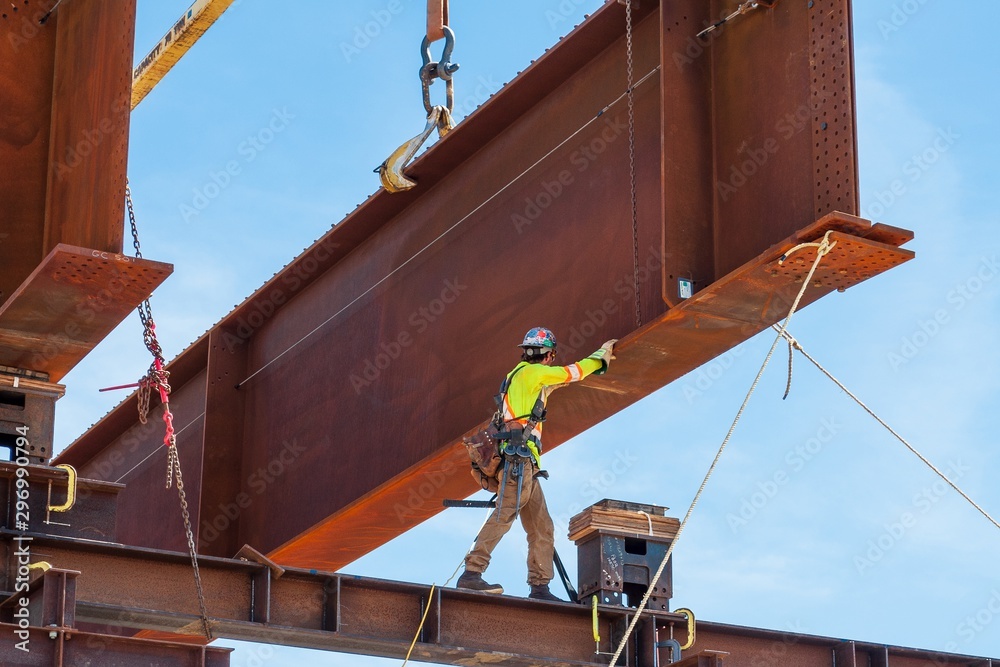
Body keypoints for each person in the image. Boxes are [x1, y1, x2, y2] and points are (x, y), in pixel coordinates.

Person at [457, 327, 617, 601]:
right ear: (549, 355)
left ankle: (540, 587)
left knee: (542, 526)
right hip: (519, 463)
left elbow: (549, 387)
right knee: (504, 513)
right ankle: (472, 573)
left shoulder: (518, 376)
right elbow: (573, 372)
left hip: (525, 464)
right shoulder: (535, 373)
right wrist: (601, 356)